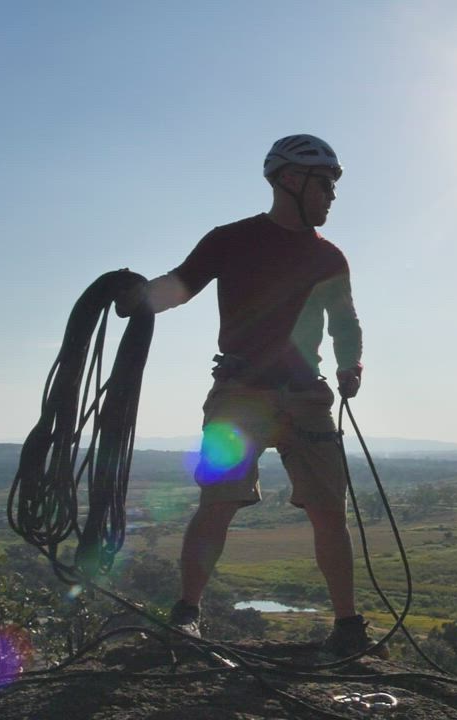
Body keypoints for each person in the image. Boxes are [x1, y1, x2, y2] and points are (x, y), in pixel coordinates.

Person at [117, 134, 382, 658]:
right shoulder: (231, 240)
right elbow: (182, 285)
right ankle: (187, 617)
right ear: (290, 180)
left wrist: (352, 364)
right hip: (241, 393)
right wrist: (137, 299)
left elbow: (344, 321)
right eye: (325, 184)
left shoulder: (328, 257)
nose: (331, 196)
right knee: (217, 503)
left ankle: (348, 626)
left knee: (330, 509)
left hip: (304, 396)